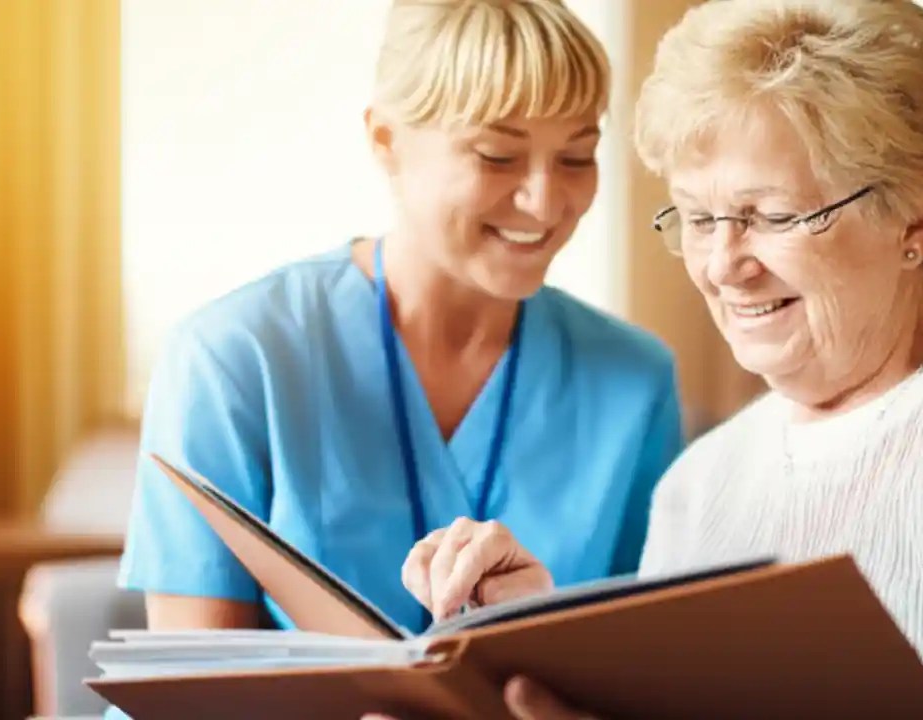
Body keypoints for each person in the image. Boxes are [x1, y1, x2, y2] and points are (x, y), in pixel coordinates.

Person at [389, 0, 923, 718]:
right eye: (699, 217)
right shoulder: (700, 483)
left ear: (915, 218)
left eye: (772, 215)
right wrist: (539, 643)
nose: (724, 264)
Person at [117, 0, 684, 637]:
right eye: (497, 155)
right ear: (386, 142)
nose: (545, 199)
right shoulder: (232, 358)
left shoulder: (636, 383)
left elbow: (636, 660)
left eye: (577, 156)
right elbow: (195, 684)